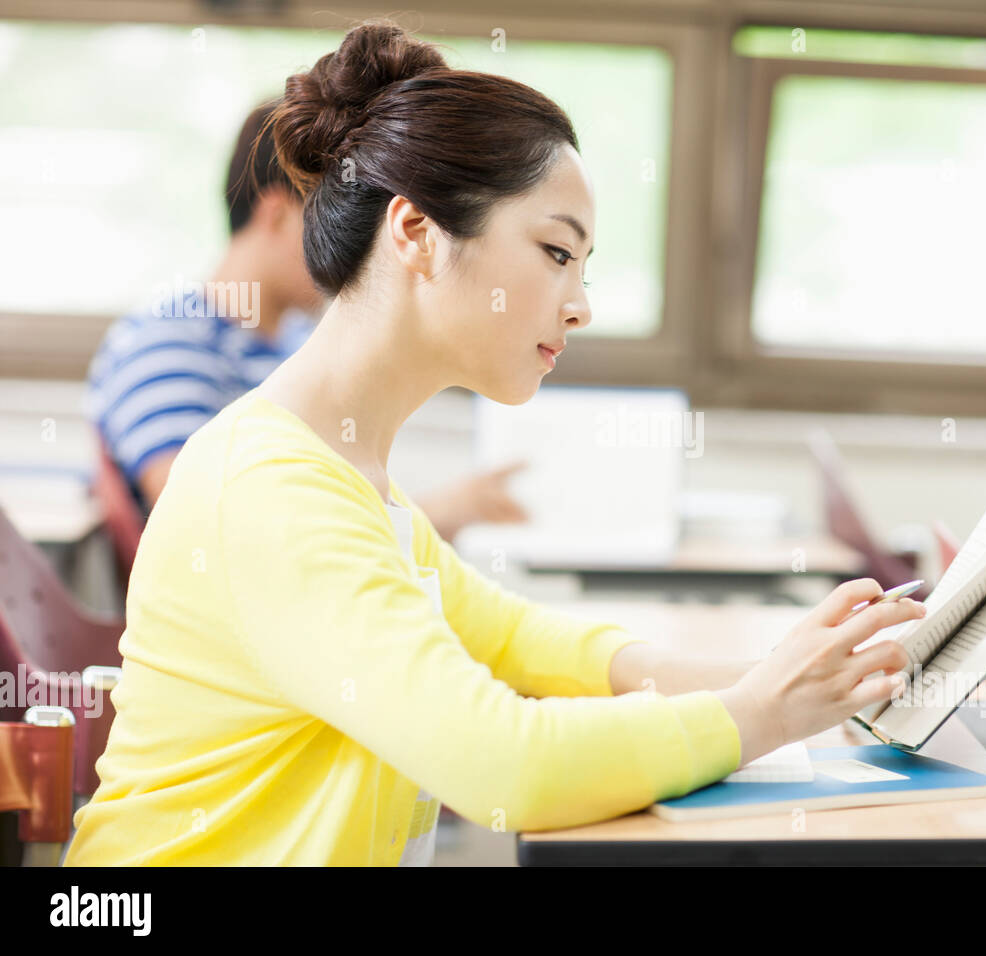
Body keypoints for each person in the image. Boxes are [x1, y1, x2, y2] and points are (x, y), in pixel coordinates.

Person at [63, 18, 923, 866]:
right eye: (556, 253)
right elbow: (505, 762)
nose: (579, 304)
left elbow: (526, 645)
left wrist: (780, 673)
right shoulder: (272, 489)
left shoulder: (349, 475)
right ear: (414, 233)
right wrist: (762, 712)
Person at [83, 99, 526, 542]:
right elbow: (205, 521)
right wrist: (438, 512)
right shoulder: (168, 343)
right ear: (275, 215)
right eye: (330, 225)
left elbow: (324, 499)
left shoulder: (296, 343)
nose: (349, 252)